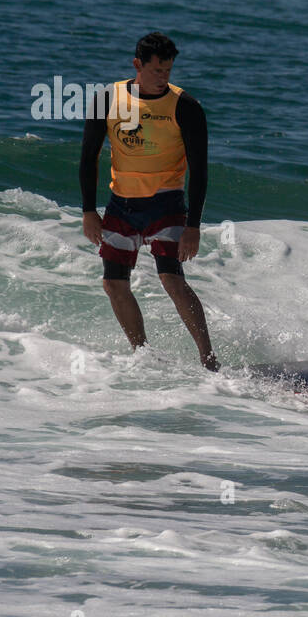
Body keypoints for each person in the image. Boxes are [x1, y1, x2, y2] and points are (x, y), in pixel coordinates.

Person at [78, 32, 218, 371]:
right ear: (137, 65)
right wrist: (88, 211)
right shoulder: (107, 99)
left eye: (168, 71)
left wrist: (193, 226)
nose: (163, 79)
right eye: (157, 71)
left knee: (170, 278)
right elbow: (88, 158)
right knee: (113, 283)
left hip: (166, 204)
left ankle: (208, 359)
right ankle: (145, 356)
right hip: (120, 205)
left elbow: (199, 171)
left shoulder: (185, 107)